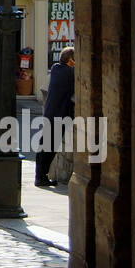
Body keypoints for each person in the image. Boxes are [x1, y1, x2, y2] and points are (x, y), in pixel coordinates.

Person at [38, 46, 75, 187]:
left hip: (50, 114)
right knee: (50, 148)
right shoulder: (70, 73)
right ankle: (41, 178)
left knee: (44, 146)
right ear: (71, 60)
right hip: (59, 116)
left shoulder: (55, 68)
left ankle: (41, 176)